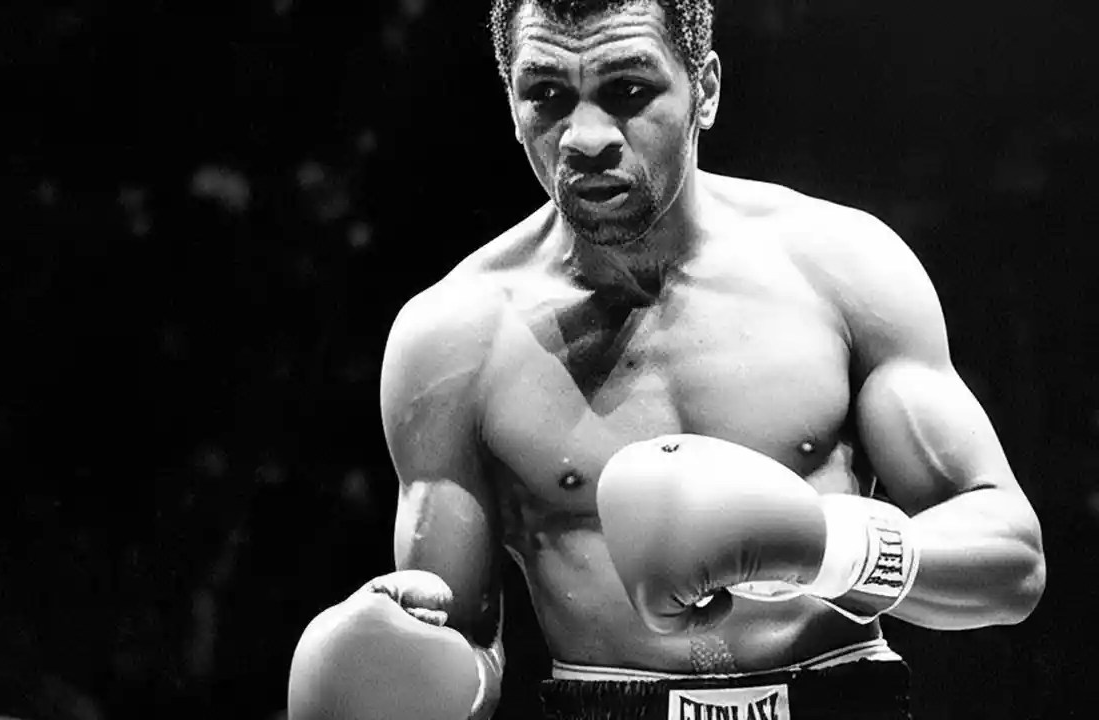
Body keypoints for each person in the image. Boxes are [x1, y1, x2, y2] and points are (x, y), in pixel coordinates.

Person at [287, 1, 1047, 718]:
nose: (585, 136)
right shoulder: (452, 340)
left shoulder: (844, 269)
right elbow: (464, 639)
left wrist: (824, 546)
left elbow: (1012, 561)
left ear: (704, 90)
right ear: (511, 107)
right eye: (547, 95)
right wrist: (399, 667)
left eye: (627, 90)